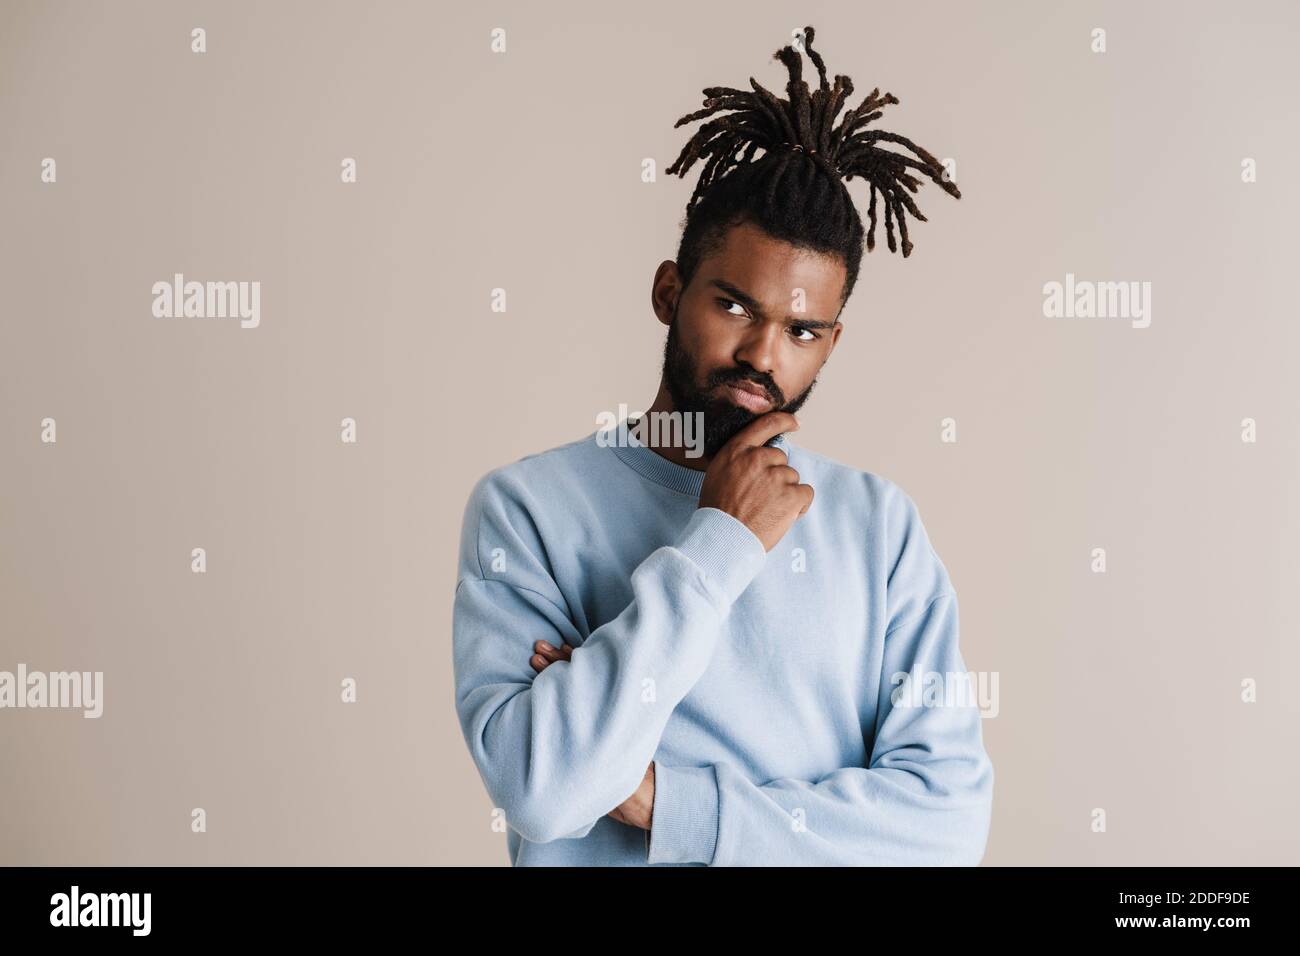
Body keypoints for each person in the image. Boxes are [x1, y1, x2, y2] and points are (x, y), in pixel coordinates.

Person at [452, 24, 993, 866]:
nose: (763, 355)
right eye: (735, 306)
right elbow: (543, 789)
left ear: (831, 344)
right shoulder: (528, 510)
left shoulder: (879, 530)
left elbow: (946, 829)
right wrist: (721, 545)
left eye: (802, 329)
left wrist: (665, 801)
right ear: (671, 291)